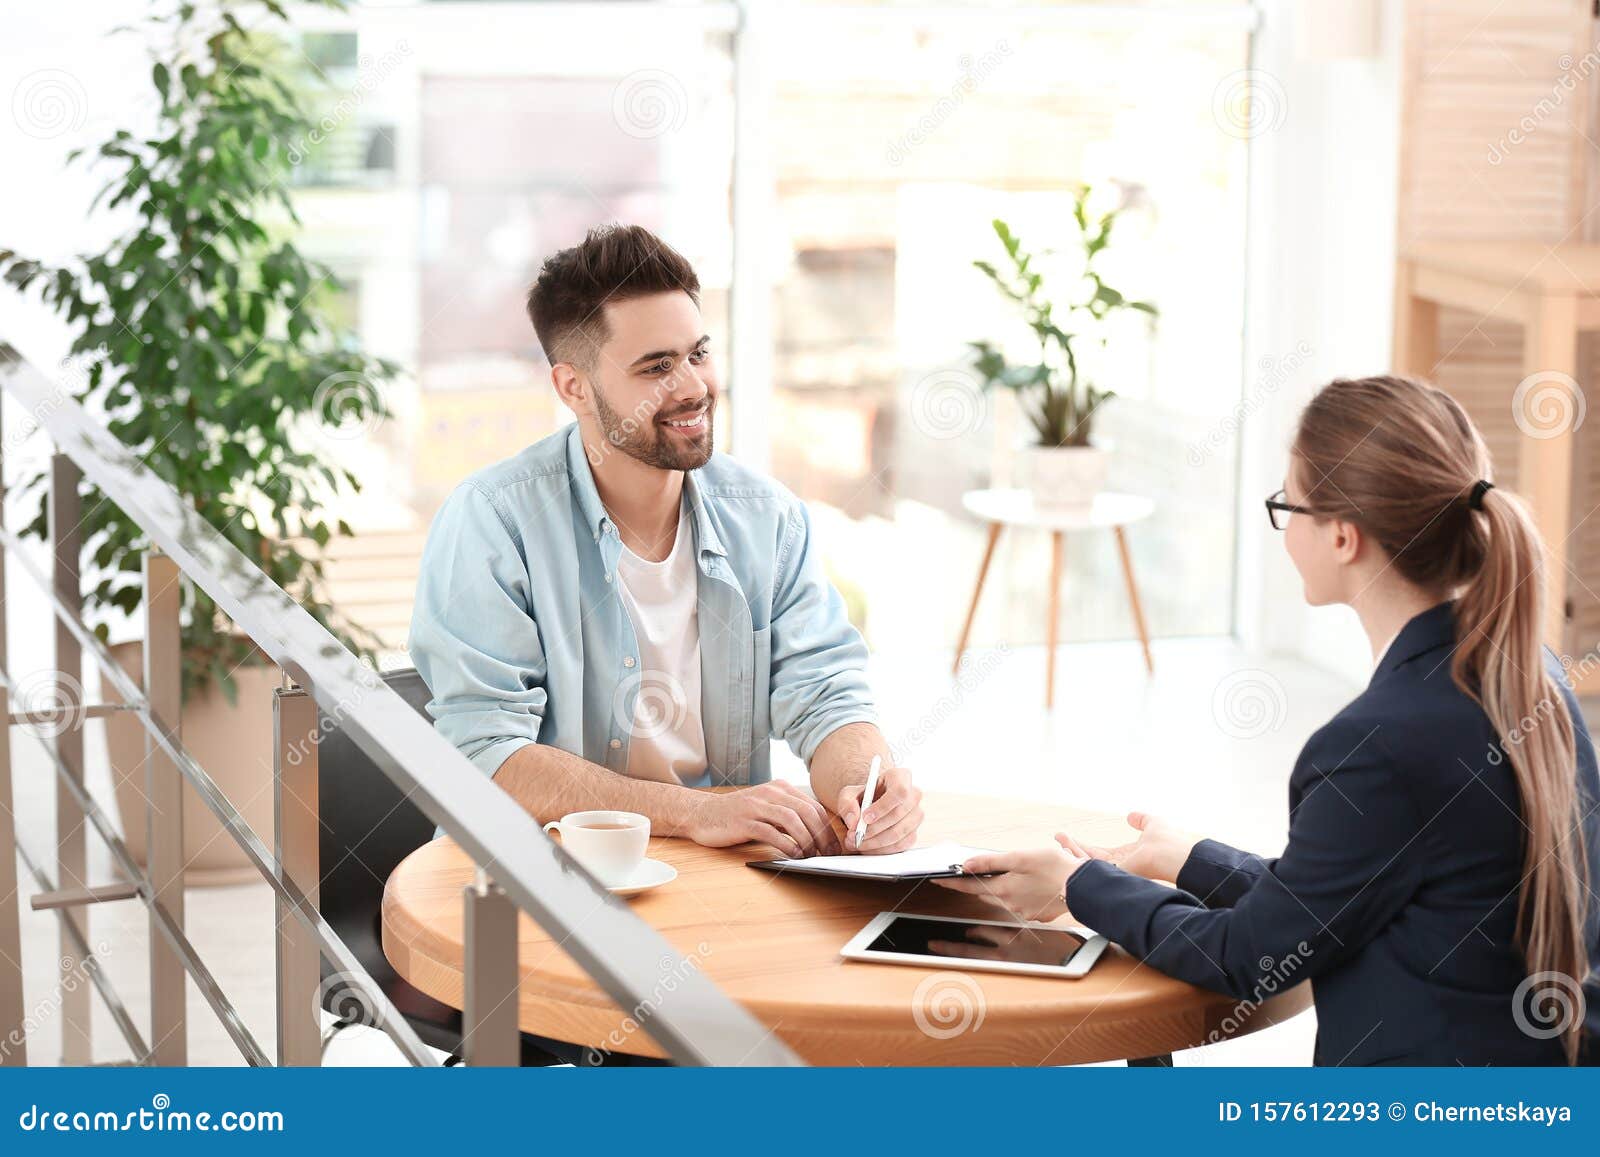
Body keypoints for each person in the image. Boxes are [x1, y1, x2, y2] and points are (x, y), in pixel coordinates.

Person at [937, 374, 1599, 1065]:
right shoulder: (1529, 674)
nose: (1285, 532)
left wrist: (1078, 884)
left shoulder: (1382, 743)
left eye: (1290, 506)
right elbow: (1339, 901)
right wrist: (1190, 857)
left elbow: (1249, 958)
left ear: (1343, 536)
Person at [409, 224, 921, 858]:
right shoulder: (494, 521)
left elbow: (826, 691)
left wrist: (863, 785)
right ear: (574, 387)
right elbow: (484, 756)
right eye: (657, 367)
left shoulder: (768, 519)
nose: (692, 387)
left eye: (698, 354)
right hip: (538, 878)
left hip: (720, 871)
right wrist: (696, 811)